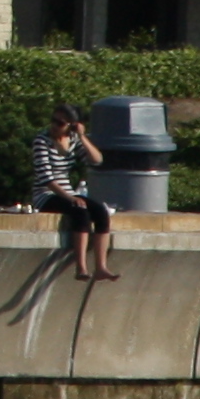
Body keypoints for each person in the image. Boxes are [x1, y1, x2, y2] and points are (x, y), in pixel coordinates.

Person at [34, 108, 117, 283]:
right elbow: (47, 179)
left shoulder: (72, 140)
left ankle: (101, 267)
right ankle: (81, 267)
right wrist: (70, 198)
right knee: (80, 211)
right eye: (54, 120)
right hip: (46, 194)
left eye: (60, 123)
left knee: (100, 212)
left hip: (67, 191)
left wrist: (82, 137)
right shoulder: (42, 141)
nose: (55, 126)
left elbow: (96, 160)